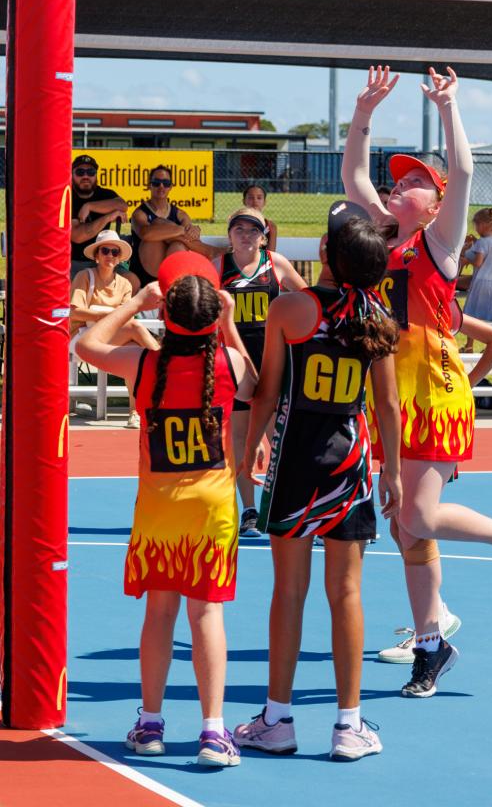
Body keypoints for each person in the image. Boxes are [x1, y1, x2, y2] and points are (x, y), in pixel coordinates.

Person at [342, 64, 492, 698]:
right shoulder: (380, 238)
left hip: (432, 386)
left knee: (419, 513)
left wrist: (449, 108)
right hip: (387, 389)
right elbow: (354, 175)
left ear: (434, 204)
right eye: (399, 178)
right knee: (408, 530)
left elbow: (461, 172)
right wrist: (362, 112)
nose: (398, 184)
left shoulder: (440, 242)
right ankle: (431, 645)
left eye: (414, 181)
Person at [234, 202, 402, 759]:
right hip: (349, 464)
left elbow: (268, 391)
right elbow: (387, 405)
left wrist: (248, 447)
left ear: (326, 254)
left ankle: (278, 720)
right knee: (347, 593)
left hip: (295, 463)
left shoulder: (289, 309)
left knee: (289, 590)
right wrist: (393, 471)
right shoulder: (378, 318)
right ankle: (348, 726)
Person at [76, 252, 257, 768]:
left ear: (167, 315)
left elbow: (85, 343)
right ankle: (213, 731)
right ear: (212, 316)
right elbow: (257, 385)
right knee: (207, 613)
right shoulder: (229, 364)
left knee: (159, 613)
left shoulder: (145, 365)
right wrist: (229, 322)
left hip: (159, 508)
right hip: (212, 506)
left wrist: (137, 300)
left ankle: (151, 722)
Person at [378, 302, 492, 663]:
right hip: (403, 420)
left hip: (431, 419)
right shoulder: (393, 307)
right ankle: (435, 615)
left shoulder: (435, 309)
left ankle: (432, 624)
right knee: (399, 523)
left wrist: (462, 386)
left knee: (414, 520)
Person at [215, 207, 307, 536]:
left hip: (273, 358)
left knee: (278, 434)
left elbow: (306, 297)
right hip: (236, 361)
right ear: (229, 235)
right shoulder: (219, 268)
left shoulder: (275, 263)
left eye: (252, 229)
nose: (245, 235)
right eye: (238, 229)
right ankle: (250, 510)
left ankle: (286, 502)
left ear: (263, 235)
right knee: (240, 435)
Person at [70, 230, 160, 428]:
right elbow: (75, 312)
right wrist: (107, 316)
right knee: (136, 327)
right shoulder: (84, 276)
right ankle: (165, 364)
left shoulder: (125, 284)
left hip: (111, 337)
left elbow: (124, 318)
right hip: (81, 339)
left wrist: (106, 317)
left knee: (135, 354)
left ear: (120, 258)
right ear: (96, 255)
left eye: (115, 252)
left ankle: (135, 412)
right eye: (105, 251)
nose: (110, 255)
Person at [129, 165, 222, 287]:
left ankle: (174, 287)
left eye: (166, 183)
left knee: (178, 245)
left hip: (172, 276)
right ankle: (209, 251)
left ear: (171, 187)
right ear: (149, 185)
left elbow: (193, 241)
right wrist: (181, 230)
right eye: (156, 182)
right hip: (144, 274)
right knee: (158, 223)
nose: (161, 186)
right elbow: (146, 234)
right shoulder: (139, 213)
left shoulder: (181, 214)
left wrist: (186, 232)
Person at [458, 208, 492, 349]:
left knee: (472, 314)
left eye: (476, 224)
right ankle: (488, 343)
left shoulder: (483, 242)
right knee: (487, 314)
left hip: (480, 282)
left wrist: (466, 260)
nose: (475, 228)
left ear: (484, 225)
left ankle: (469, 345)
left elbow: (478, 262)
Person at [70, 154, 129, 280]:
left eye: (90, 172)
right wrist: (108, 217)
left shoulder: (105, 194)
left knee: (132, 280)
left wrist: (89, 206)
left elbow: (122, 205)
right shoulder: (68, 197)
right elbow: (77, 236)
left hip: (105, 261)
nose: (85, 176)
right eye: (80, 172)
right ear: (72, 175)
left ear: (96, 175)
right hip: (75, 262)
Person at [243, 183, 278, 248]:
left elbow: (271, 253)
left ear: (264, 202)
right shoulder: (237, 223)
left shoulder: (270, 226)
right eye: (250, 198)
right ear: (244, 201)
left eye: (259, 198)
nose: (255, 201)